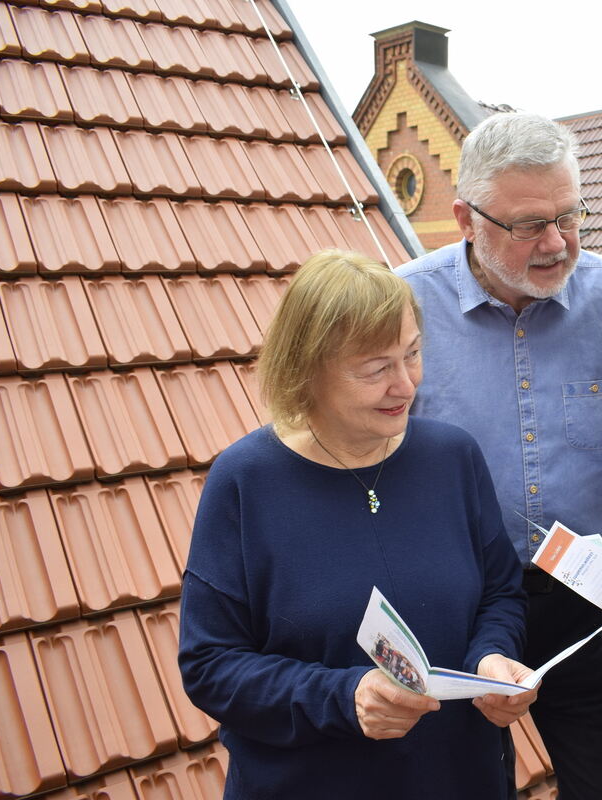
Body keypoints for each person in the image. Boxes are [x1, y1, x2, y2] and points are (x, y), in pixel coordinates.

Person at [178, 250, 534, 799]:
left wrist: (490, 657)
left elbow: (501, 593)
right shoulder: (245, 482)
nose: (406, 385)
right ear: (308, 369)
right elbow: (211, 665)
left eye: (412, 354)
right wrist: (343, 697)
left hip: (459, 778)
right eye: (376, 369)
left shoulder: (454, 457)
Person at [397, 111, 602, 800]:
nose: (556, 244)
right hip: (455, 603)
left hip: (585, 599)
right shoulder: (400, 305)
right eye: (528, 226)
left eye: (570, 216)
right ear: (465, 218)